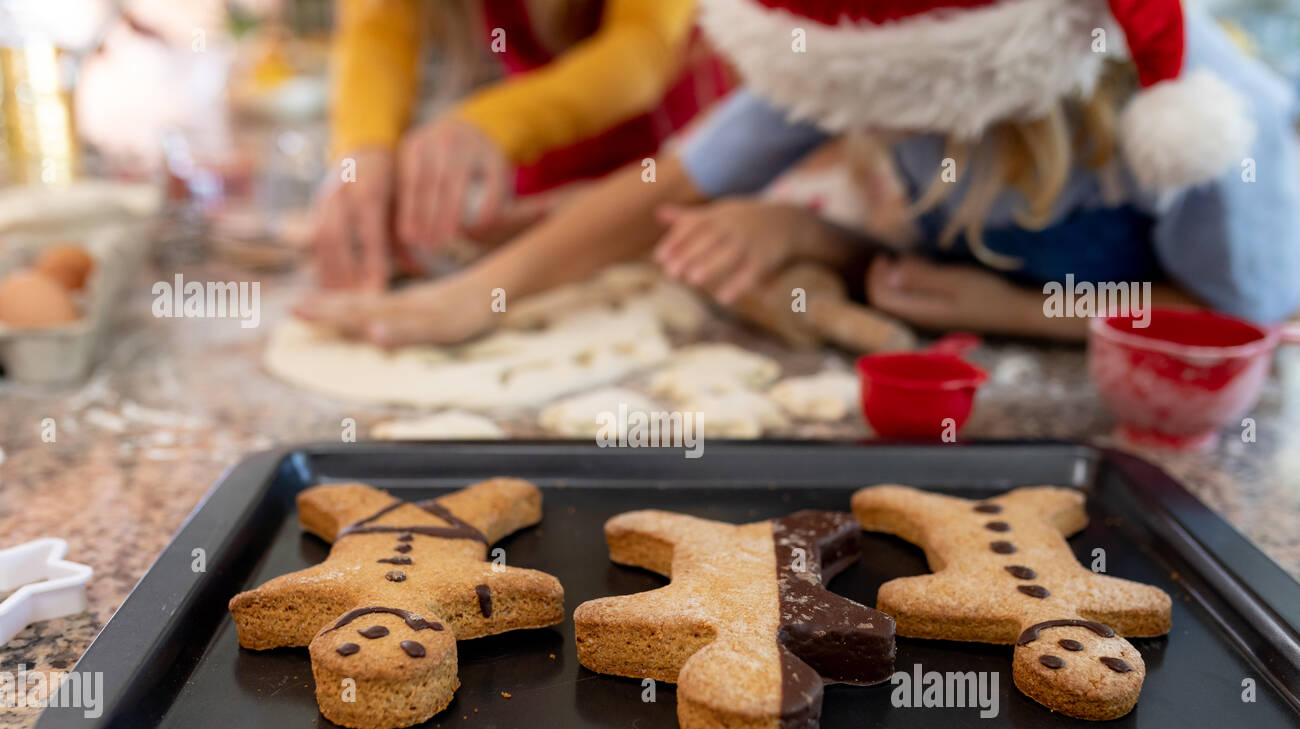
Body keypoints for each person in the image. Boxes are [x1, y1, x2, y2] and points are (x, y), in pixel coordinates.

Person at [297, 0, 1300, 346]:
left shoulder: (1210, 127)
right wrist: (480, 296)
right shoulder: (859, 53)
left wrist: (1007, 312)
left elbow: (1248, 327)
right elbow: (671, 180)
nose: (862, 123)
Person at [313, 0, 731, 291]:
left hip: (681, 160)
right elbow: (376, 31)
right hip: (545, 158)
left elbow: (643, 49)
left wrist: (489, 124)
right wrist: (364, 149)